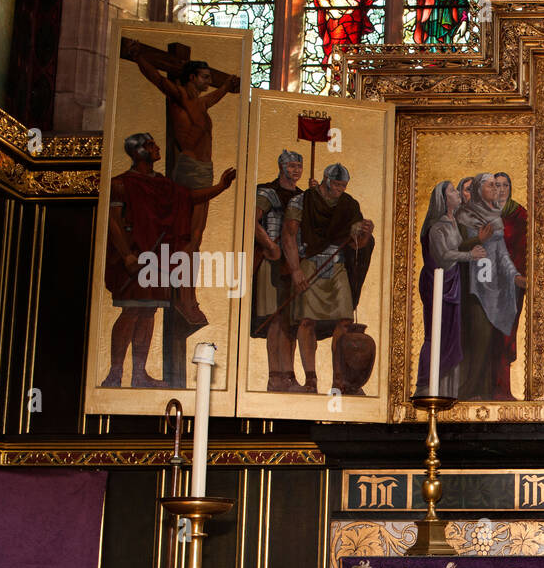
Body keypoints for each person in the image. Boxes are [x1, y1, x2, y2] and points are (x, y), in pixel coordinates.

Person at [101, 132, 236, 388]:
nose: (157, 148)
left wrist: (221, 187)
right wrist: (126, 255)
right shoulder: (121, 183)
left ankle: (138, 373)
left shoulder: (163, 185)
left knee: (149, 311)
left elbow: (190, 197)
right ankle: (115, 372)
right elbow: (114, 223)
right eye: (151, 145)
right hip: (136, 257)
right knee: (131, 310)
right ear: (138, 151)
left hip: (158, 258)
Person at [124, 41, 240, 321]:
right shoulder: (179, 97)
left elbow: (218, 95)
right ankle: (184, 297)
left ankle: (188, 297)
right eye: (205, 77)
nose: (210, 82)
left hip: (203, 169)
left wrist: (229, 85)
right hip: (189, 170)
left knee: (196, 238)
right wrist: (139, 57)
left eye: (211, 79)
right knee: (188, 237)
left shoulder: (201, 103)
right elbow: (157, 79)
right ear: (191, 77)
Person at [280, 163, 375, 394]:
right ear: (326, 180)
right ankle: (311, 378)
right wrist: (295, 270)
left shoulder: (349, 205)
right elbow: (289, 236)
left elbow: (356, 245)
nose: (340, 189)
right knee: (306, 321)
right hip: (310, 262)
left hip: (337, 265)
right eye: (336, 185)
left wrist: (365, 234)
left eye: (343, 186)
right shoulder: (301, 201)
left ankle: (339, 379)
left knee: (344, 320)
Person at [455, 172, 525, 399]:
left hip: (495, 288)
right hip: (473, 287)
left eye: (499, 185)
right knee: (477, 339)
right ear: (478, 188)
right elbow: (454, 247)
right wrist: (477, 240)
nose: (496, 189)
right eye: (491, 185)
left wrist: (514, 276)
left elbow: (502, 253)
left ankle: (484, 391)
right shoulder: (464, 214)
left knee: (490, 340)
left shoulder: (495, 217)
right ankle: (468, 389)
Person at [414, 180, 482, 397]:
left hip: (453, 283)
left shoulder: (453, 222)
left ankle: (448, 390)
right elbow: (443, 256)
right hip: (438, 285)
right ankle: (427, 386)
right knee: (436, 336)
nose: (456, 193)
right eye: (452, 191)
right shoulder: (438, 226)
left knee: (452, 335)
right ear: (443, 199)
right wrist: (470, 255)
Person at [252, 150, 304, 392]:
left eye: (299, 166)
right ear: (281, 166)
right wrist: (270, 245)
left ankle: (289, 374)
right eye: (292, 165)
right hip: (271, 261)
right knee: (275, 319)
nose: (296, 170)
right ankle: (275, 375)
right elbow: (251, 220)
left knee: (290, 321)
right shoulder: (267, 192)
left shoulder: (303, 197)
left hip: (293, 263)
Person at [494, 172, 529, 399]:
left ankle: (503, 389)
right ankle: (490, 388)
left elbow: (526, 246)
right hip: (489, 285)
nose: (502, 189)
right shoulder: (484, 214)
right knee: (490, 337)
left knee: (506, 334)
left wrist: (519, 275)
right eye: (497, 185)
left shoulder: (519, 214)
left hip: (514, 282)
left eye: (506, 185)